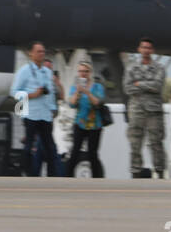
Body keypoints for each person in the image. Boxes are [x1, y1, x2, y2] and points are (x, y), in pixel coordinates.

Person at [10, 41, 59, 176]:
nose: (41, 54)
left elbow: (51, 92)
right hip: (30, 113)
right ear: (31, 53)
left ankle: (53, 175)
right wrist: (32, 95)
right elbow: (13, 92)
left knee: (50, 146)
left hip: (45, 114)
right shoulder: (24, 71)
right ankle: (26, 173)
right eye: (38, 51)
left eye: (43, 51)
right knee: (29, 145)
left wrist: (53, 109)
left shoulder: (47, 72)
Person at [124, 39, 167, 178]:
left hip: (154, 112)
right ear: (139, 49)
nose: (146, 50)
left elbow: (158, 86)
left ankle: (159, 171)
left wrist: (138, 84)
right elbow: (127, 88)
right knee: (135, 143)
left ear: (152, 50)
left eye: (149, 48)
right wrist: (147, 85)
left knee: (156, 142)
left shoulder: (159, 67)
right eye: (143, 47)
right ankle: (136, 171)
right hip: (136, 110)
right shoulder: (131, 67)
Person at [66, 60, 105, 177]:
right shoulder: (75, 87)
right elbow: (71, 104)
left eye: (86, 71)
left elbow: (98, 103)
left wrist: (87, 92)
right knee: (75, 152)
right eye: (80, 71)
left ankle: (96, 178)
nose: (83, 74)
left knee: (93, 153)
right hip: (80, 123)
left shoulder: (98, 87)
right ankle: (67, 177)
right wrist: (78, 92)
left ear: (90, 73)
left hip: (95, 124)